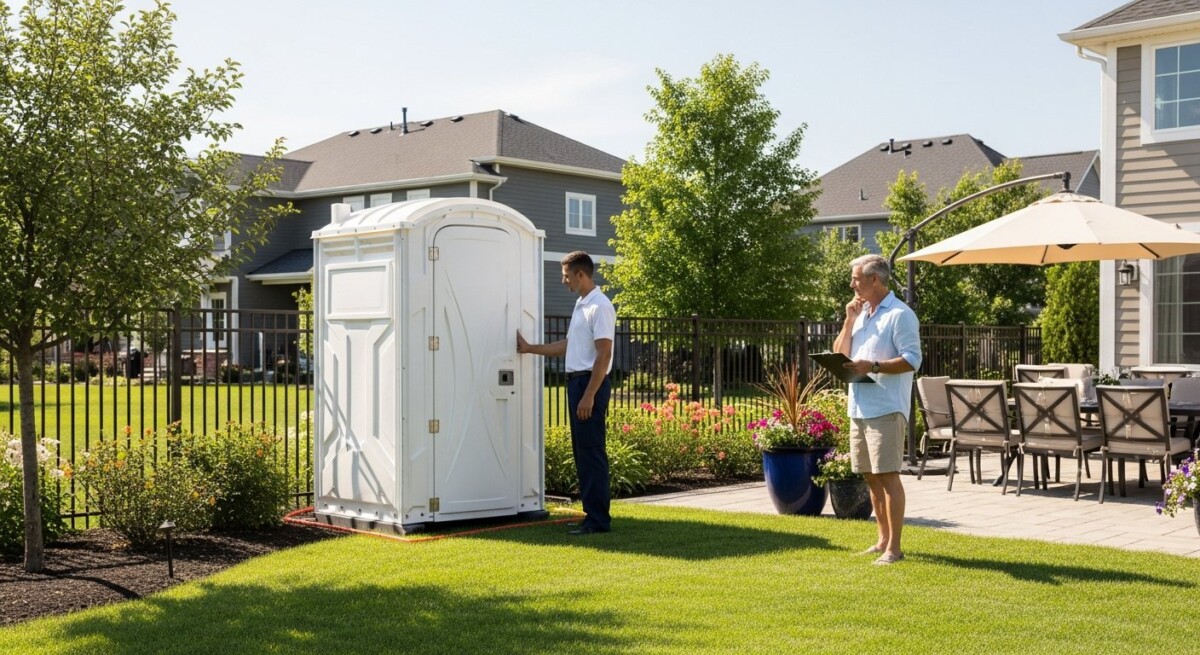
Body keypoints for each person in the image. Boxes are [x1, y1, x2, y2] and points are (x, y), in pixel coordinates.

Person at [831, 254, 921, 565]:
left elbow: (912, 360)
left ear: (874, 280)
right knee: (871, 476)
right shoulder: (861, 315)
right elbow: (839, 353)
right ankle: (882, 539)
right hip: (859, 405)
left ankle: (895, 549)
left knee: (888, 476)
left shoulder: (900, 315)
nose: (851, 284)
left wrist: (876, 365)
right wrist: (848, 320)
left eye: (856, 278)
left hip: (886, 407)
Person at [517, 251, 615, 535]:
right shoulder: (582, 304)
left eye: (566, 275)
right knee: (582, 453)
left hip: (589, 385)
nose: (563, 281)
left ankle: (598, 521)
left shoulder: (600, 306)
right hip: (577, 384)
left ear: (581, 275)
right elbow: (569, 346)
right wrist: (531, 348)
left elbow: (604, 355)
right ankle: (592, 516)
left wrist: (589, 395)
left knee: (592, 452)